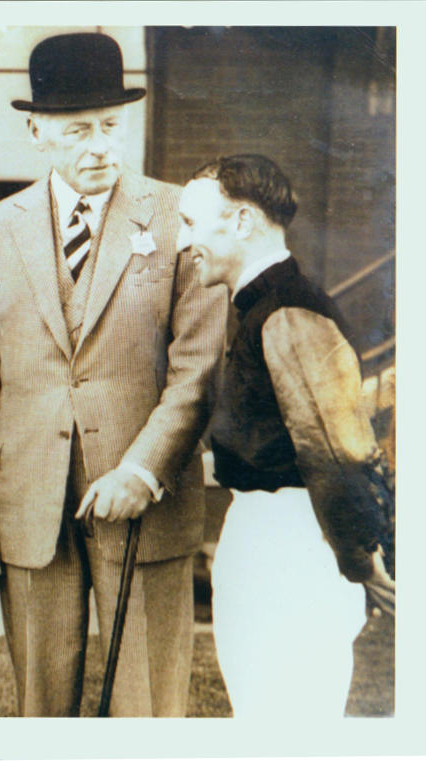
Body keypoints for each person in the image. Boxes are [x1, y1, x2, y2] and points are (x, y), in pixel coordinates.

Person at [0, 33, 228, 717]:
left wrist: (142, 471)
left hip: (147, 503)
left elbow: (197, 370)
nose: (100, 146)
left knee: (147, 707)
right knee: (40, 705)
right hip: (27, 501)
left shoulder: (179, 218)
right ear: (37, 132)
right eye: (78, 131)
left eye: (110, 125)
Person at [177, 153, 395, 716]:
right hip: (271, 537)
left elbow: (336, 453)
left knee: (290, 724)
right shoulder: (263, 309)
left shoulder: (288, 311)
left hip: (294, 545)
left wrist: (361, 559)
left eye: (192, 223)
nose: (183, 242)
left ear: (243, 221)